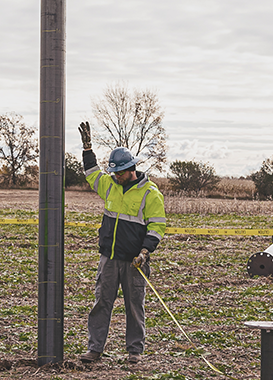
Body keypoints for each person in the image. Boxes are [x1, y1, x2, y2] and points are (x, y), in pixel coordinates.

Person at [76, 121, 167, 366]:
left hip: (134, 261)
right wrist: (87, 150)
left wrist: (146, 251)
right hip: (109, 257)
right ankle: (95, 349)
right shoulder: (110, 185)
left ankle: (134, 351)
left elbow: (157, 226)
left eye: (120, 172)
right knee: (101, 303)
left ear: (131, 168)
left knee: (134, 306)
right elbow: (93, 174)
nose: (116, 176)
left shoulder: (150, 193)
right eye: (114, 172)